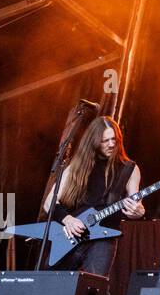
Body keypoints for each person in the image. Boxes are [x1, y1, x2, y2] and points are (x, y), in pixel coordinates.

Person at [40, 116, 145, 276]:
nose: (111, 144)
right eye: (105, 141)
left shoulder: (129, 169)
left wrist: (139, 211)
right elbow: (49, 203)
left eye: (114, 139)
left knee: (95, 286)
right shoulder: (77, 166)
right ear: (94, 142)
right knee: (49, 281)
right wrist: (68, 220)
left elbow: (135, 203)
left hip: (104, 237)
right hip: (74, 233)